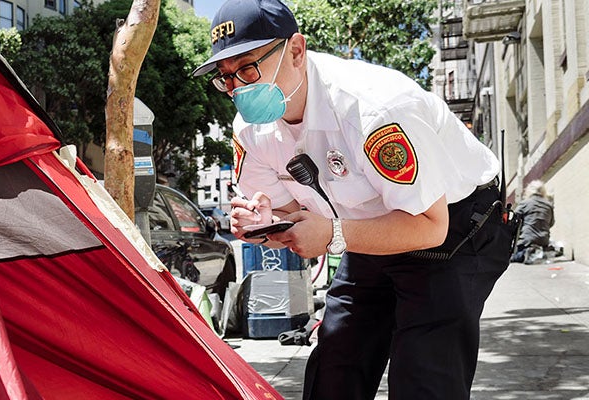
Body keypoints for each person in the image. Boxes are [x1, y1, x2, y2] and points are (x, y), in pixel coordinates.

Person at [192, 0, 518, 399]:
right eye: (225, 78)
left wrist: (334, 237)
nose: (238, 88)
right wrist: (265, 223)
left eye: (247, 68)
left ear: (296, 49)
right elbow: (291, 212)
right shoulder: (251, 130)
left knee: (425, 374)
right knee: (336, 367)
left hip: (455, 224)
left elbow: (430, 227)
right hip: (366, 226)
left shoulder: (374, 107)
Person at [510, 180, 555, 264]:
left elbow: (514, 219)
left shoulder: (525, 203)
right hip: (544, 240)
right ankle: (538, 253)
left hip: (527, 240)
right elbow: (551, 223)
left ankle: (525, 254)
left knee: (511, 257)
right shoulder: (548, 205)